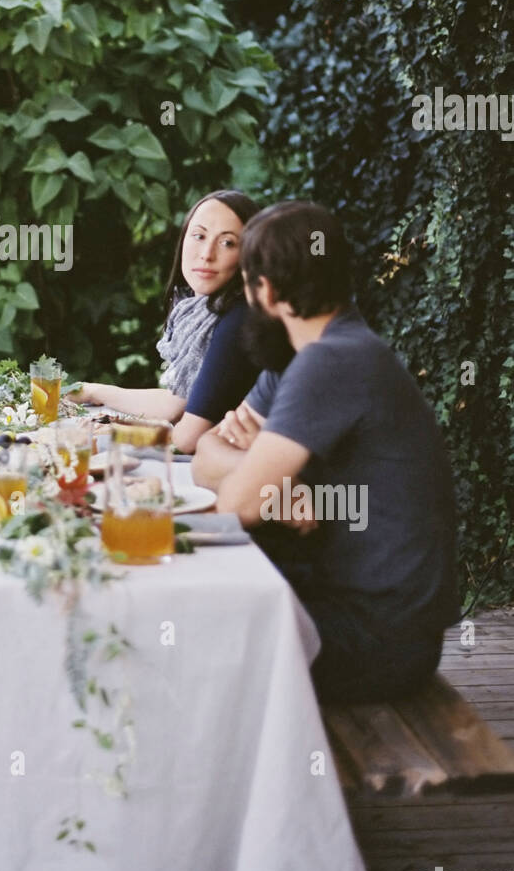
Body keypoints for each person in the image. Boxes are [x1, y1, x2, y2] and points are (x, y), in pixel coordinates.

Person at [192, 200, 459, 703]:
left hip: (377, 638)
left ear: (265, 290)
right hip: (353, 610)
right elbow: (206, 458)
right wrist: (280, 483)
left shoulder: (331, 361)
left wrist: (264, 482)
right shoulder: (317, 352)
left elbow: (236, 506)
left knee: (194, 651)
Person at [73, 190, 260, 452]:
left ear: (248, 255)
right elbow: (175, 404)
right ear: (183, 240)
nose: (206, 253)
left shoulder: (239, 320)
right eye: (199, 236)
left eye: (227, 243)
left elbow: (186, 438)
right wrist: (91, 392)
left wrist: (109, 432)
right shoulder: (205, 313)